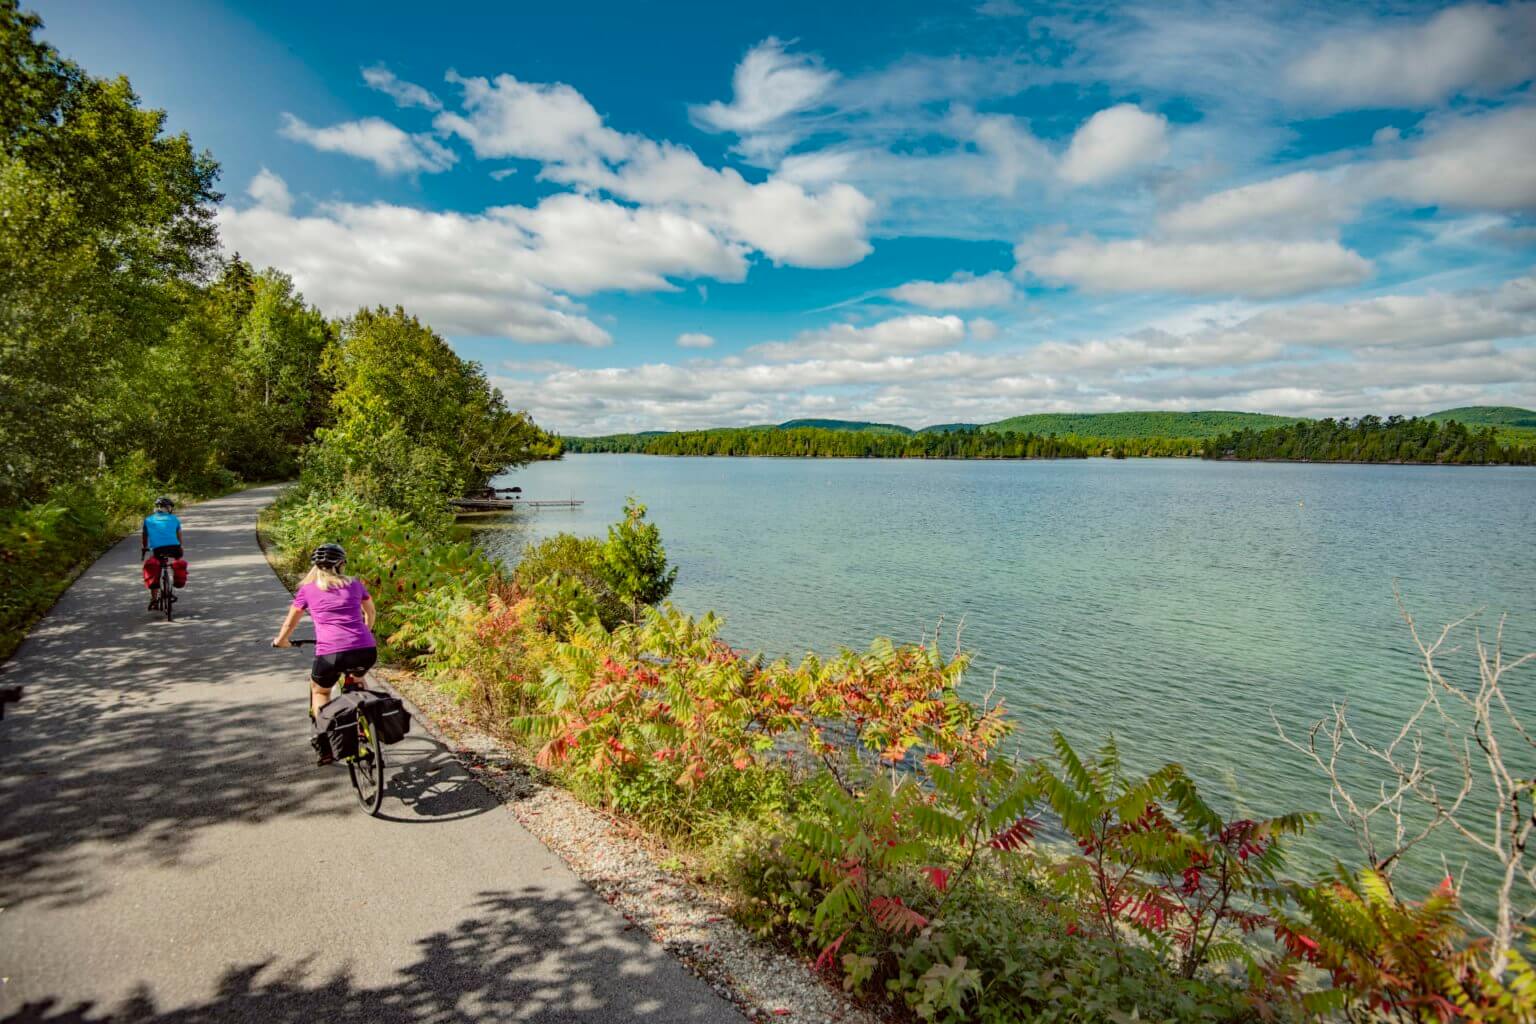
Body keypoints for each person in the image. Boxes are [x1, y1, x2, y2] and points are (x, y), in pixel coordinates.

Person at [271, 543, 378, 729]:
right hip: (366, 650)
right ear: (341, 564)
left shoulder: (307, 590)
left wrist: (281, 641)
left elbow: (290, 623)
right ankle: (368, 724)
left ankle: (326, 742)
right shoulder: (355, 584)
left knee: (320, 691)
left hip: (331, 653)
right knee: (358, 678)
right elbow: (371, 613)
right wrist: (363, 634)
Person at [140, 496, 188, 600]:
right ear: (168, 508)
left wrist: (144, 547)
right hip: (175, 549)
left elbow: (145, 536)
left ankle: (154, 599)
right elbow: (179, 536)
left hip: (157, 550)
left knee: (155, 566)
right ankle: (176, 574)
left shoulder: (148, 520)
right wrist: (180, 547)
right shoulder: (174, 519)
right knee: (177, 559)